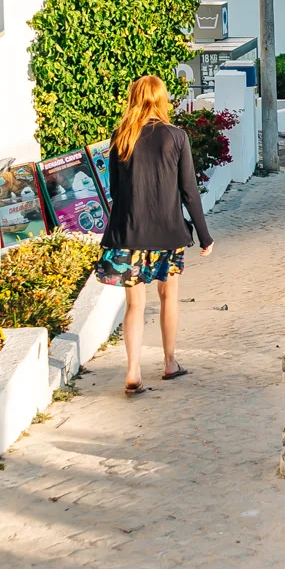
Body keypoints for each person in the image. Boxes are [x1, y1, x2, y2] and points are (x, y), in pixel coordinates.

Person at [95, 74, 212, 396]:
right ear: (162, 99)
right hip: (167, 233)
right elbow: (189, 192)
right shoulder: (176, 136)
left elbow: (115, 190)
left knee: (134, 305)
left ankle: (133, 372)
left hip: (129, 232)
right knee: (167, 297)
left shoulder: (121, 136)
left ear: (134, 98)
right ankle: (169, 362)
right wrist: (205, 236)